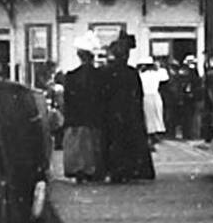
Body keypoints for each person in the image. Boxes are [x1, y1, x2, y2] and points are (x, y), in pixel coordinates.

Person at [100, 33, 155, 182]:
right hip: (129, 112)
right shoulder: (131, 73)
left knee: (114, 141)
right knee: (129, 142)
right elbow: (138, 95)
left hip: (112, 112)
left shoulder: (106, 72)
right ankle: (130, 169)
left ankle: (114, 169)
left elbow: (103, 94)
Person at [61, 34, 104, 182]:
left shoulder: (71, 76)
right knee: (93, 145)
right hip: (95, 117)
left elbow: (67, 100)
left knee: (78, 147)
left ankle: (79, 171)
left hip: (77, 117)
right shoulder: (100, 75)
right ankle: (92, 170)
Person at [139, 57, 167, 146]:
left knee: (148, 115)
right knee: (157, 114)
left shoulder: (142, 75)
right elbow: (165, 77)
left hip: (146, 96)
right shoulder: (157, 74)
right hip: (155, 95)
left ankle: (150, 133)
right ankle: (156, 132)